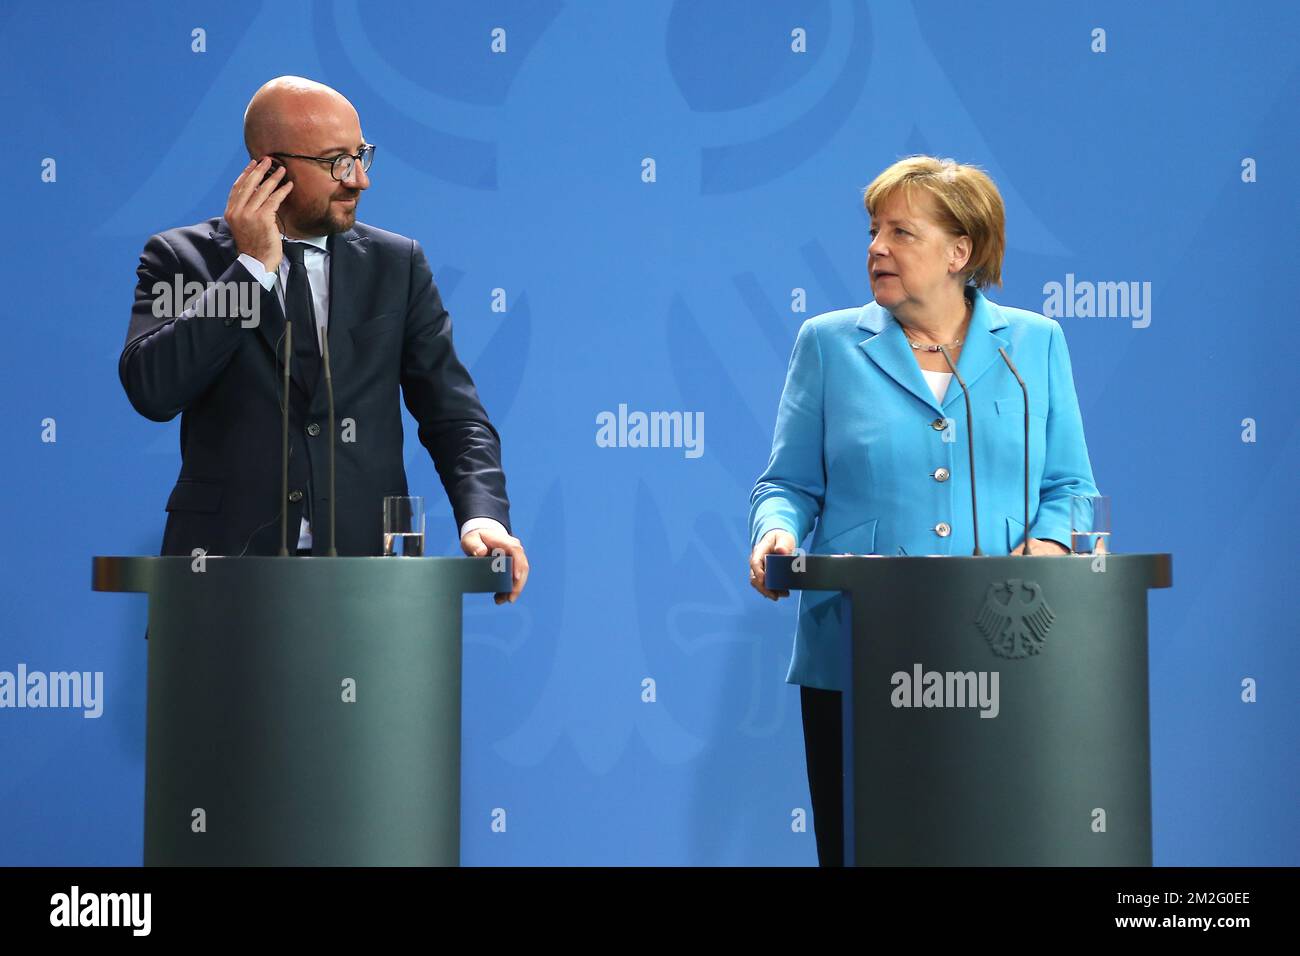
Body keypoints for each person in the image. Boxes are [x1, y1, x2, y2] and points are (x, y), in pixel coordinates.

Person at [747, 155, 1099, 863]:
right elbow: (786, 483)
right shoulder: (828, 344)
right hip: (859, 649)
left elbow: (1070, 488)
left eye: (902, 232)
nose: (877, 248)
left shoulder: (1034, 345)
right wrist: (776, 529)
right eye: (874, 231)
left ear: (959, 251)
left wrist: (1053, 547)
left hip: (1002, 647)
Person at [120, 76, 528, 603]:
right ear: (271, 168)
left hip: (368, 587)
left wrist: (483, 516)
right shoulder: (182, 259)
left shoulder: (396, 265)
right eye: (337, 161)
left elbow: (455, 416)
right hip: (221, 585)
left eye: (362, 156)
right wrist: (249, 269)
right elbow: (153, 389)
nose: (359, 179)